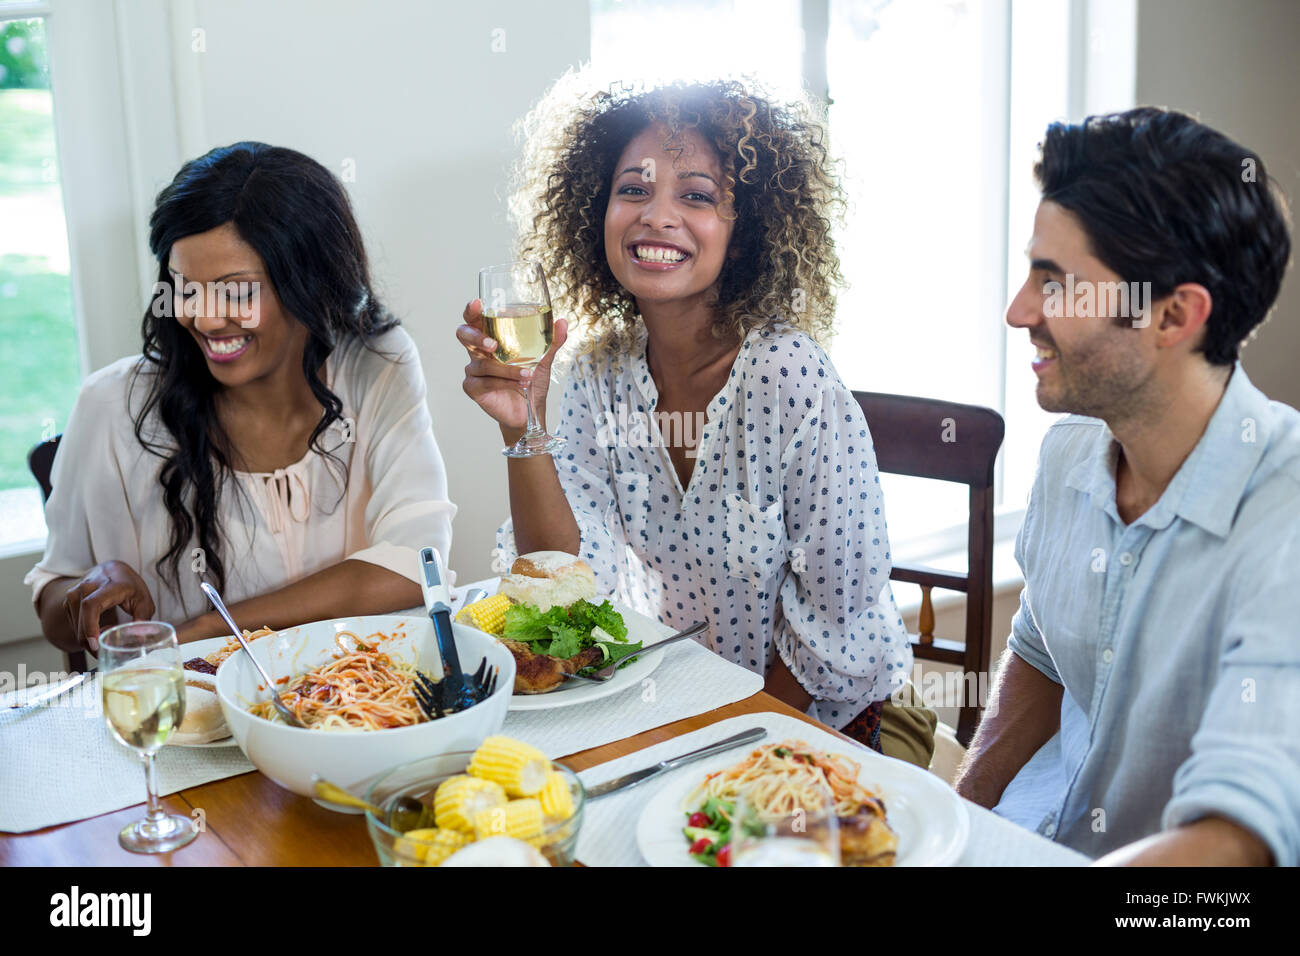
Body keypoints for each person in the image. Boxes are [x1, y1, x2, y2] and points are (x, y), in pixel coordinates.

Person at [459, 79, 933, 764]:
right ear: (598, 210)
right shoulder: (598, 373)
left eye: (697, 195)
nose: (657, 215)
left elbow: (838, 626)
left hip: (818, 726)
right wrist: (522, 426)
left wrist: (724, 746)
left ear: (746, 231)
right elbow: (563, 584)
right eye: (633, 189)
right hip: (681, 710)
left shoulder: (790, 378)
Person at [954, 107, 1299, 865]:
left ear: (1174, 315)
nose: (1019, 311)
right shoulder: (1071, 452)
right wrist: (955, 823)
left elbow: (1240, 834)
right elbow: (1043, 651)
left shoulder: (1286, 519)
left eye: (1055, 282)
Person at [27, 142, 455, 653]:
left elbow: (414, 566)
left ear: (310, 284)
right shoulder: (109, 405)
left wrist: (210, 629)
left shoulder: (376, 363)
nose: (204, 319)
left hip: (353, 707)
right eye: (185, 288)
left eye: (237, 291)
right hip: (194, 719)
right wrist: (88, 588)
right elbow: (54, 608)